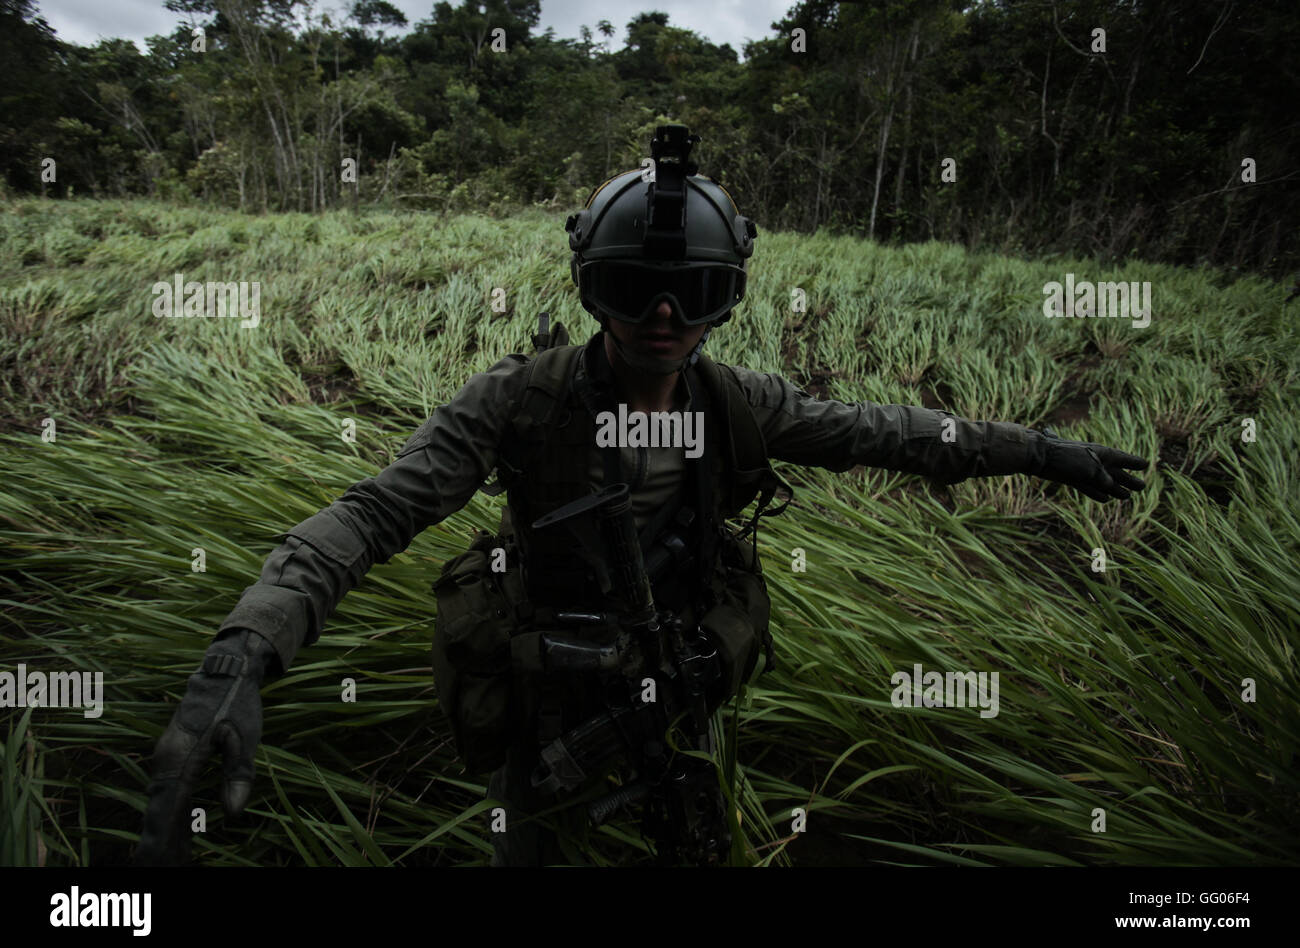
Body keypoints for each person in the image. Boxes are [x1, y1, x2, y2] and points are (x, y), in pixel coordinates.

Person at [137, 125, 1149, 867]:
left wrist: (1042, 451)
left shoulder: (737, 402)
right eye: (633, 290)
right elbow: (370, 515)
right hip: (548, 672)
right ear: (591, 289)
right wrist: (244, 651)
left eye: (693, 294)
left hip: (679, 663)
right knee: (529, 835)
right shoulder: (518, 403)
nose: (663, 319)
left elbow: (891, 432)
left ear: (724, 299)